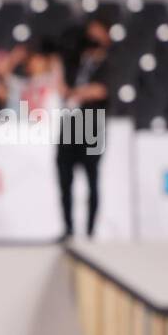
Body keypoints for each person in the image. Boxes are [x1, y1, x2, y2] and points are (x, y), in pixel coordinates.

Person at [58, 16, 114, 238]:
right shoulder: (76, 61)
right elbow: (62, 86)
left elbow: (101, 91)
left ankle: (90, 231)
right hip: (70, 121)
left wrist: (76, 93)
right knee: (64, 177)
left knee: (92, 178)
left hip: (92, 123)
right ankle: (69, 230)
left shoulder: (109, 63)